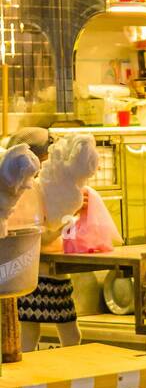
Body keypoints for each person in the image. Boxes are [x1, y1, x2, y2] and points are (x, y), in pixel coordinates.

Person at [5, 127, 82, 352]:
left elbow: (63, 235)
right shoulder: (24, 193)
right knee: (30, 336)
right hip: (33, 277)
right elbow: (40, 236)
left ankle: (69, 378)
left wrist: (73, 219)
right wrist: (68, 223)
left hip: (52, 275)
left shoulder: (55, 189)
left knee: (69, 334)